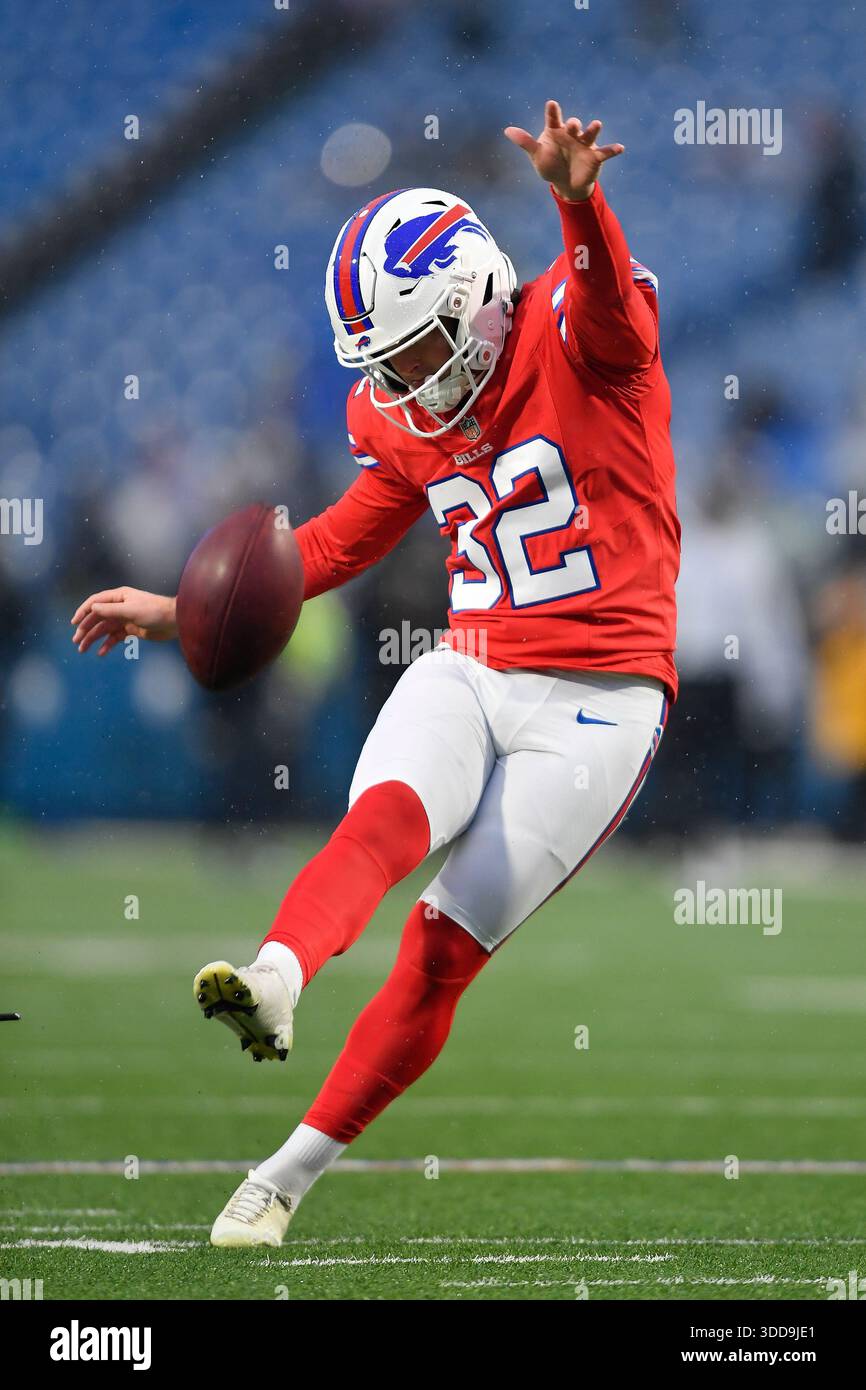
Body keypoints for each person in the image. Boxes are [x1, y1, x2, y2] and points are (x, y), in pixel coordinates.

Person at [71, 101, 680, 1247]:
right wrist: (177, 606)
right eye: (382, 360)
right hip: (473, 656)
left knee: (439, 949)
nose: (402, 380)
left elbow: (601, 299)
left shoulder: (572, 327)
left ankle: (284, 1176)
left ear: (476, 303)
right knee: (381, 822)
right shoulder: (398, 407)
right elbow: (344, 534)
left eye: (412, 349)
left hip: (600, 696)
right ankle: (278, 974)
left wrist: (575, 197)